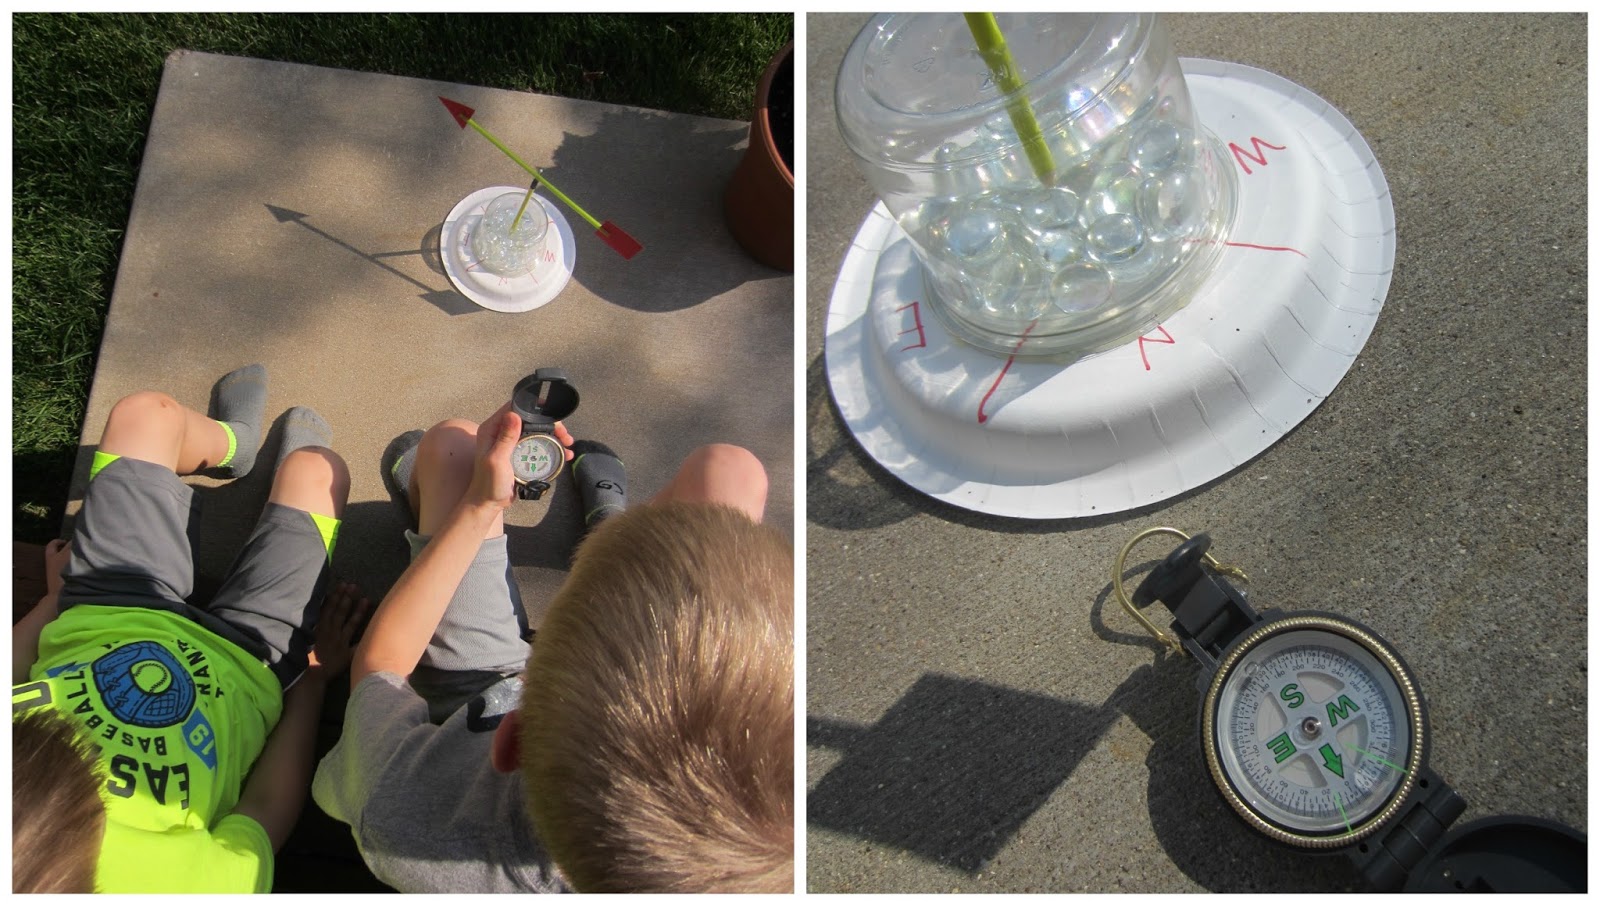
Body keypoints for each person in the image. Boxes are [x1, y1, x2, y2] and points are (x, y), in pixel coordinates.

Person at [312, 402, 793, 893]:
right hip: (545, 724)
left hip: (472, 696)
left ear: (511, 736)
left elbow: (380, 668)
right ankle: (610, 531)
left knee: (452, 449)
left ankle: (608, 540)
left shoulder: (397, 805)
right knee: (731, 472)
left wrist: (481, 507)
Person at [10, 365, 366, 893]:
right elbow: (264, 811)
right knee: (319, 470)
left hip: (107, 604)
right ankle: (278, 475)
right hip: (253, 661)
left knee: (144, 413)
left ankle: (234, 447)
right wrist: (310, 682)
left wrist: (54, 601)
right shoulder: (188, 888)